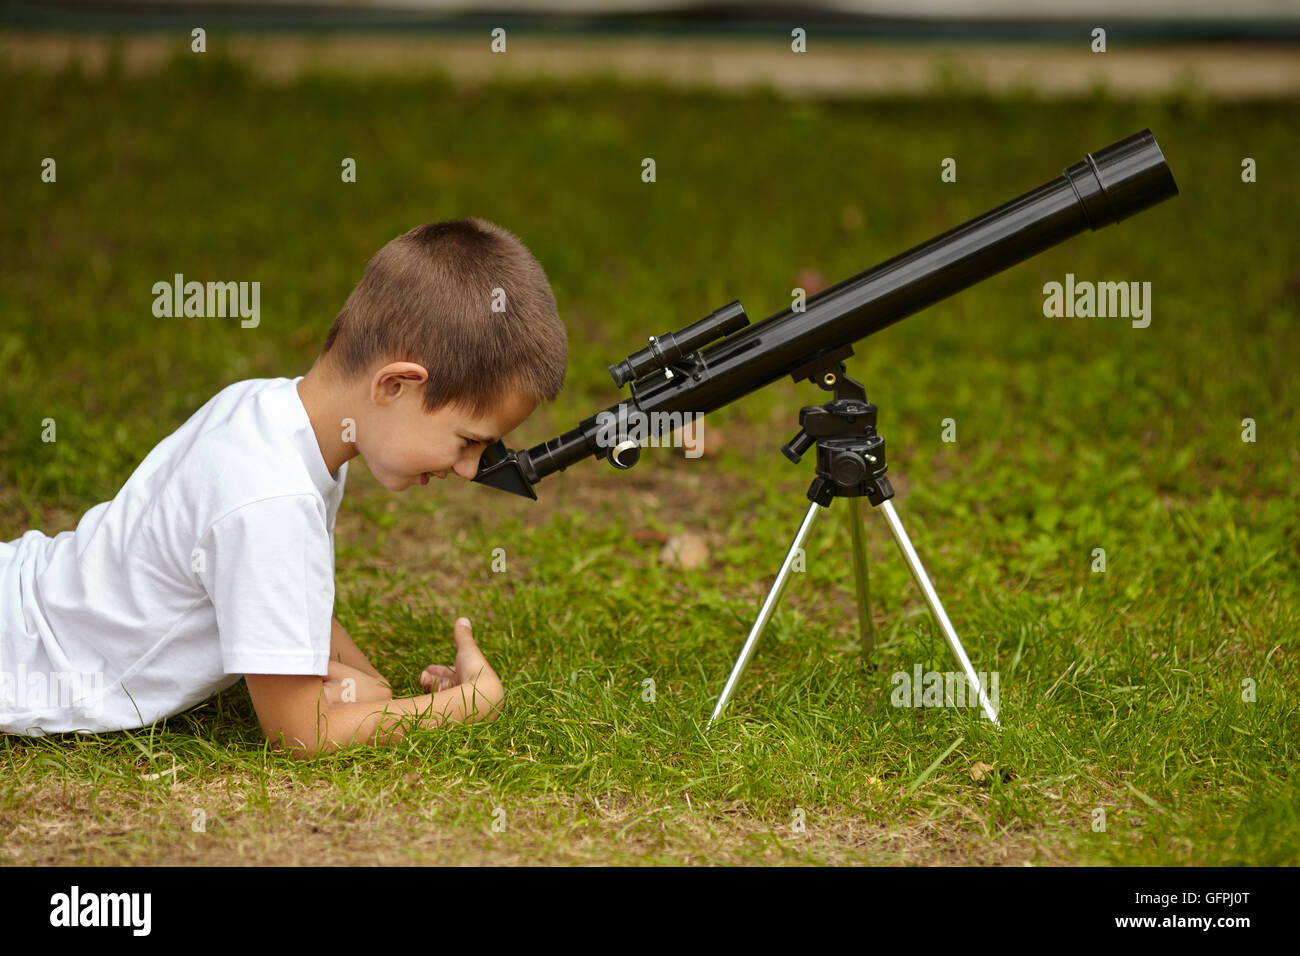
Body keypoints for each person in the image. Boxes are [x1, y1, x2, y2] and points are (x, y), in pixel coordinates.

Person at [0, 218, 567, 757]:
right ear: (394, 385)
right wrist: (466, 706)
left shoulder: (271, 412)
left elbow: (290, 594)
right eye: (467, 441)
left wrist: (371, 686)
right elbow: (301, 734)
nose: (469, 470)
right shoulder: (271, 497)